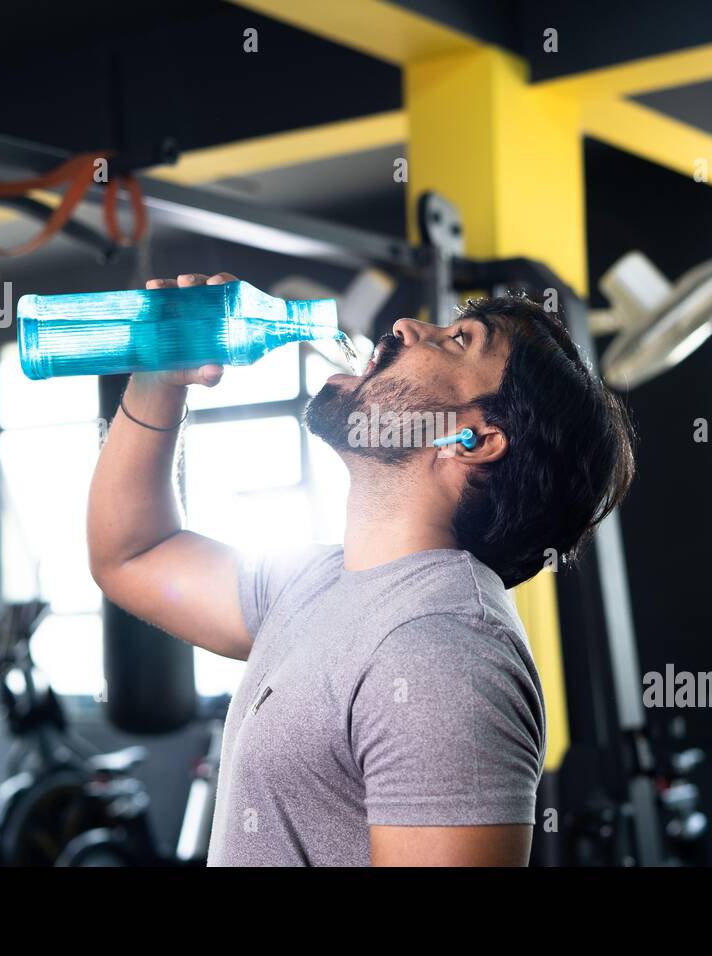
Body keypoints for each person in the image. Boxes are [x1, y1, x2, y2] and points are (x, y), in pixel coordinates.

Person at [87, 271, 635, 865]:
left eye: (458, 341)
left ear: (473, 439)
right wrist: (159, 382)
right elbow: (133, 553)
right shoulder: (314, 583)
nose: (405, 326)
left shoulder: (445, 650)